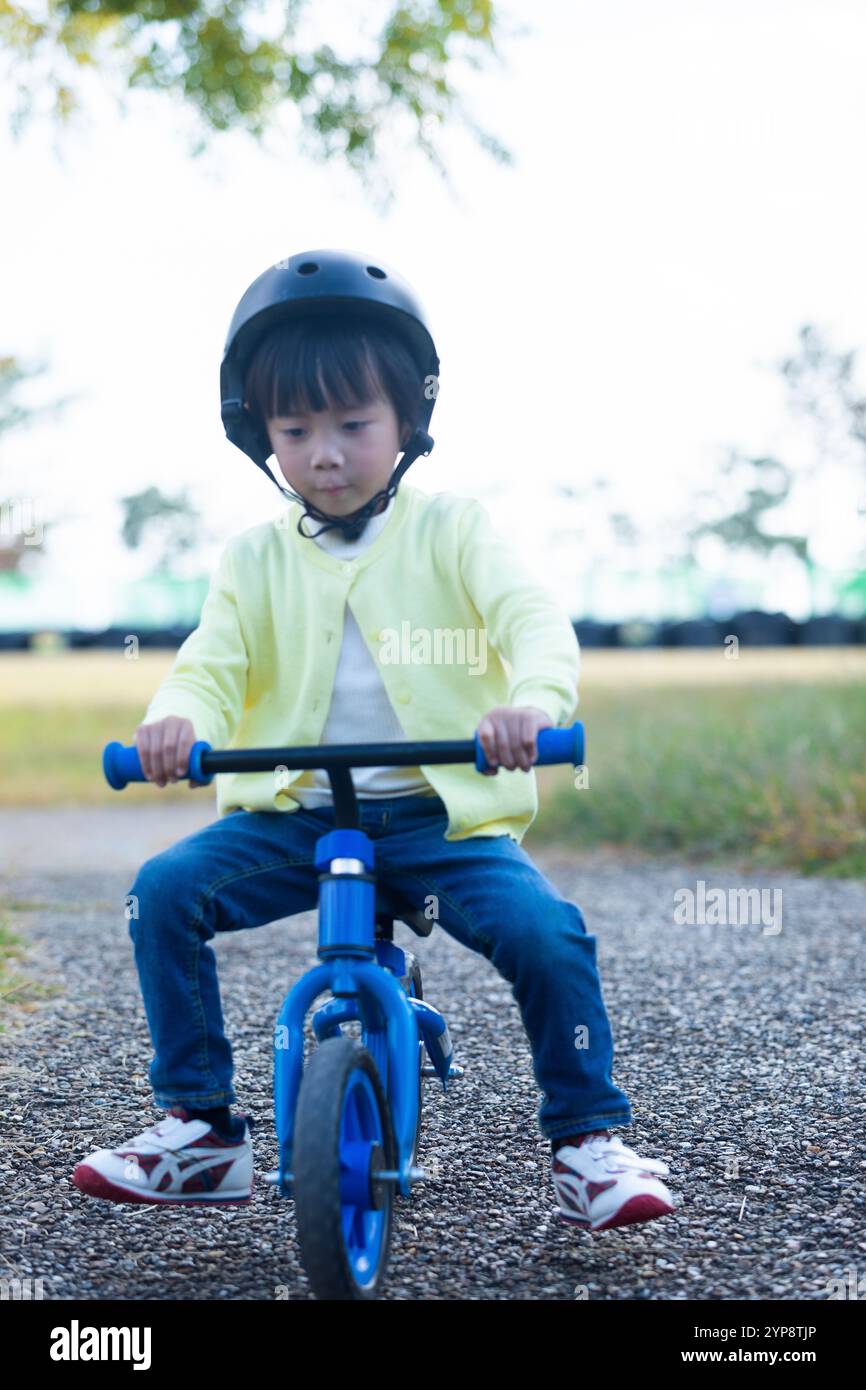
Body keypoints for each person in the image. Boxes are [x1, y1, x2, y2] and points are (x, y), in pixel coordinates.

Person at [72, 249, 675, 1232]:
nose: (324, 454)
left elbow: (529, 618)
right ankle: (200, 1128)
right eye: (294, 429)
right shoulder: (253, 557)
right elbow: (211, 661)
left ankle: (585, 1139)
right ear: (258, 435)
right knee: (166, 890)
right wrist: (175, 722)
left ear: (406, 424)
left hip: (440, 819)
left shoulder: (453, 531)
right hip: (295, 817)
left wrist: (530, 701)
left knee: (543, 931)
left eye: (353, 425)